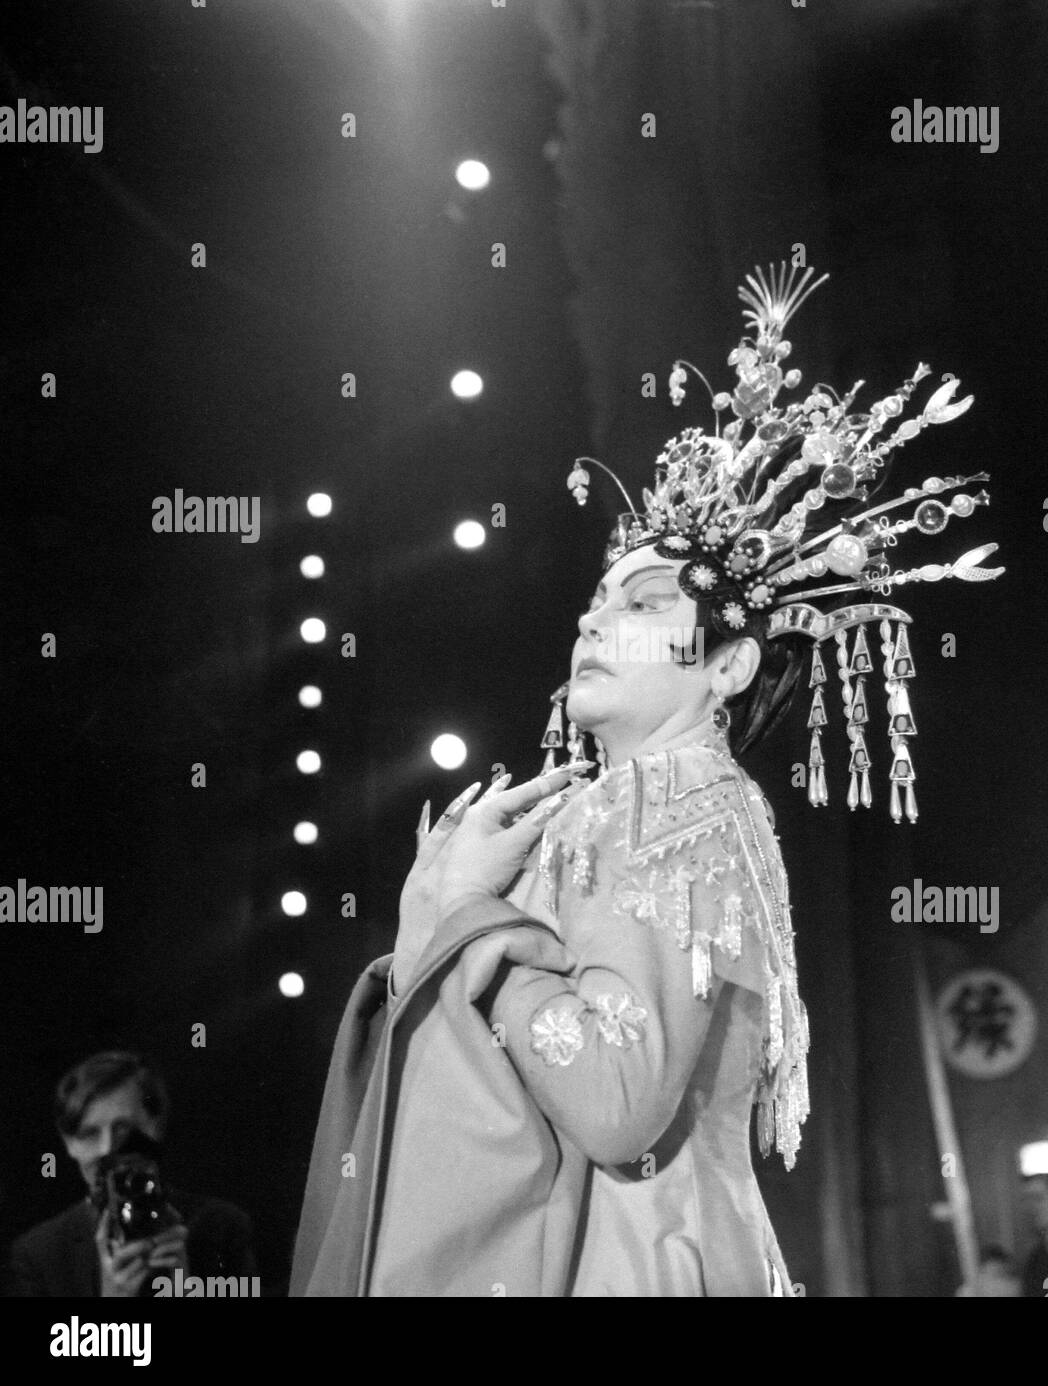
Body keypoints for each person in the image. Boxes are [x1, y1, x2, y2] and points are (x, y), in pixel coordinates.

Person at [291, 263, 1002, 1296]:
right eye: (593, 603)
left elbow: (618, 1098)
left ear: (727, 664)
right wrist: (430, 930)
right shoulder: (647, 804)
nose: (591, 620)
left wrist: (473, 924)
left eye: (641, 603)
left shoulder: (667, 800)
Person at [6, 1051, 256, 1297]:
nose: (107, 1149)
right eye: (89, 1134)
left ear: (155, 1127)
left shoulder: (224, 1229)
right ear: (69, 1144)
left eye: (123, 1128)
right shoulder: (37, 1256)